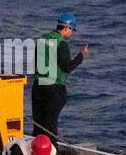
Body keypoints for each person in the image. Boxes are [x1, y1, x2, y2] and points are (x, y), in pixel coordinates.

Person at [31, 12, 87, 140]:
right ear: (67, 28)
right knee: (50, 128)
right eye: (72, 30)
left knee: (38, 126)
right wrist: (81, 56)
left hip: (38, 86)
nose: (71, 33)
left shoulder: (42, 40)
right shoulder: (61, 43)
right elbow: (67, 67)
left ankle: (36, 154)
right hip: (54, 88)